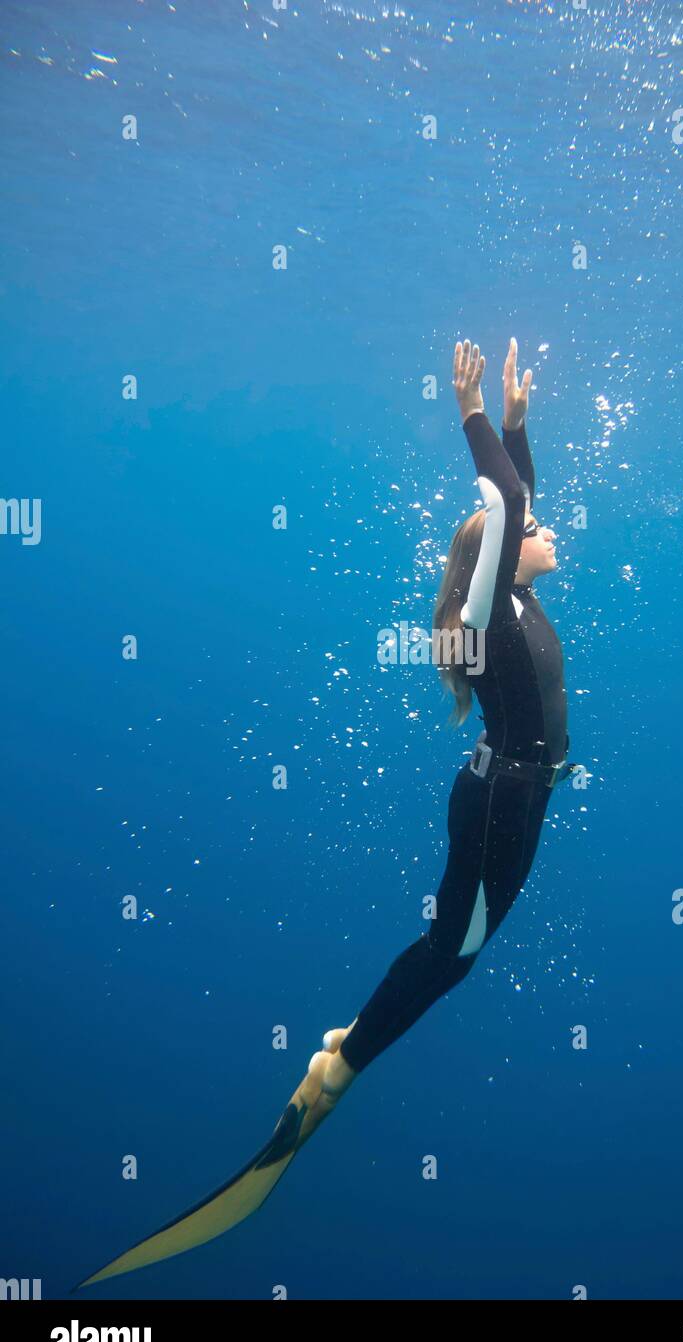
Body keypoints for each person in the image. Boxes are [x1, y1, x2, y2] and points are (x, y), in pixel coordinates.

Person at [75, 337, 574, 1289]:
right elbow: (507, 505)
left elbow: (518, 500)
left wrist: (517, 423)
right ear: (502, 559)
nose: (555, 535)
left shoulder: (510, 603)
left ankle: (351, 1041)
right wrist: (472, 414)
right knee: (449, 955)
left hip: (511, 801)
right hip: (501, 805)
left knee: (450, 952)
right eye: (537, 529)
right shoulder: (486, 616)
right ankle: (338, 1068)